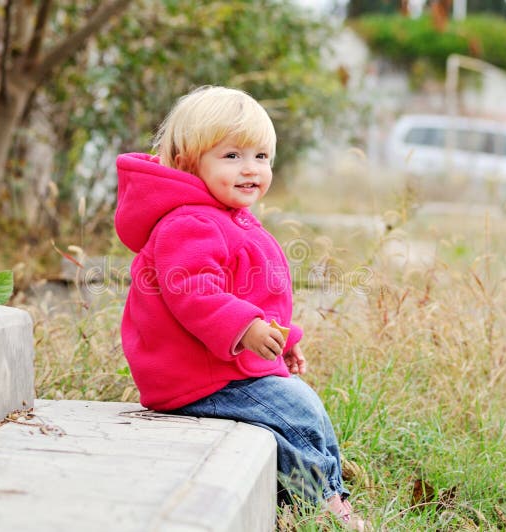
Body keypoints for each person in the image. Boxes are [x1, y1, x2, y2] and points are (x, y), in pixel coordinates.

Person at [114, 85, 364, 530]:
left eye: (261, 157)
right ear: (191, 162)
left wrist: (281, 340)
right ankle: (320, 502)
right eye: (231, 157)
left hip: (223, 364)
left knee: (302, 405)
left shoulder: (227, 215)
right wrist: (246, 328)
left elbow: (249, 290)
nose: (250, 169)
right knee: (295, 411)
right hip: (195, 375)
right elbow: (193, 290)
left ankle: (332, 491)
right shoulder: (189, 221)